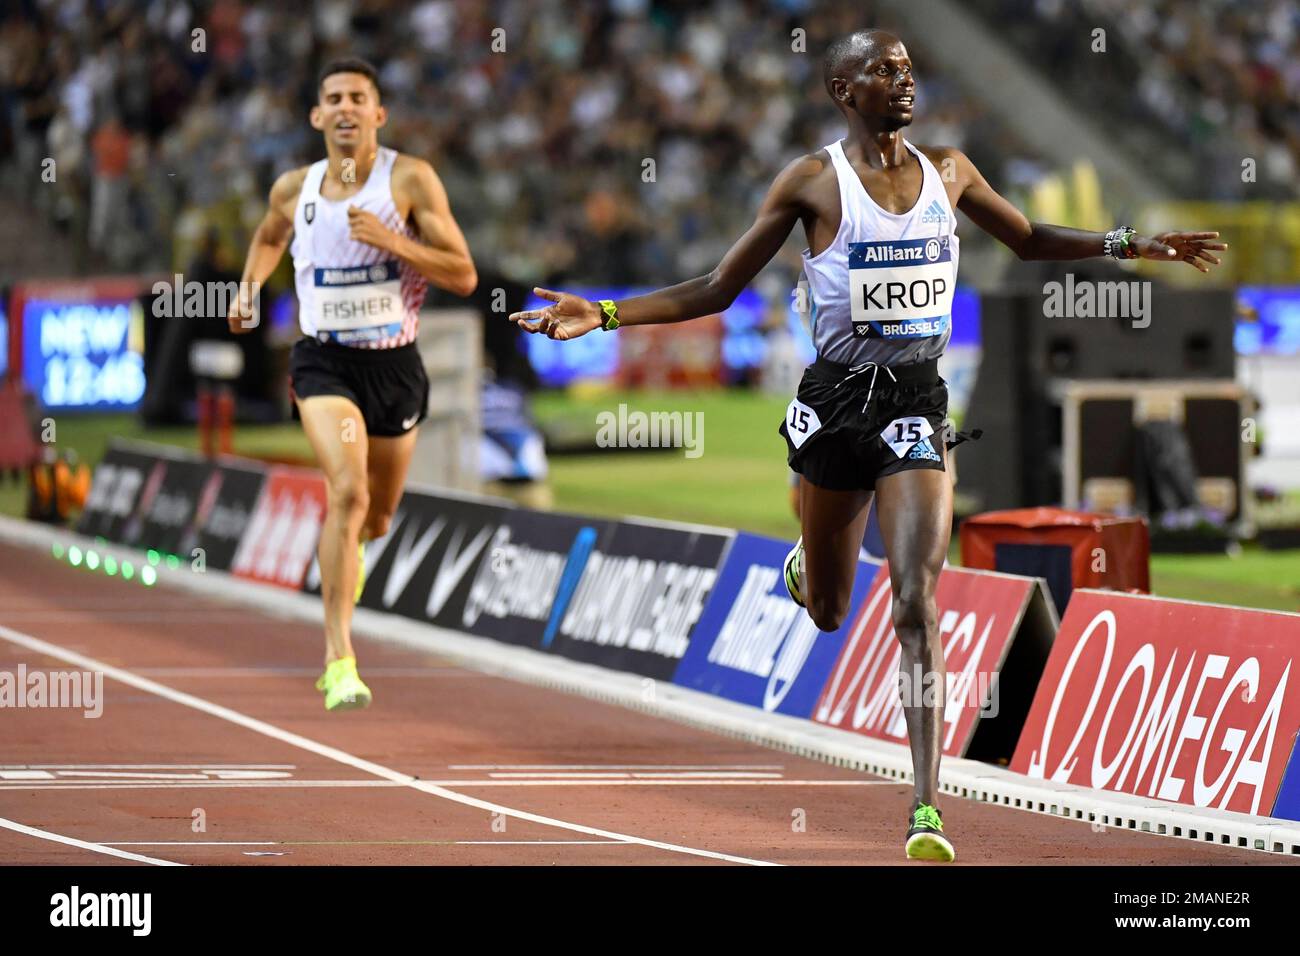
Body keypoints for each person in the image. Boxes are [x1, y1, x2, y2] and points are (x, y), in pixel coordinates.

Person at [508, 29, 1225, 860]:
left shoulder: (950, 171)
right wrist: (599, 313)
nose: (904, 81)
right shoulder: (813, 181)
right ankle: (807, 572)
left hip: (917, 403)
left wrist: (1130, 243)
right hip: (835, 404)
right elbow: (714, 287)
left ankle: (926, 806)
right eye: (884, 72)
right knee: (829, 610)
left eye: (910, 69)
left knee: (917, 601)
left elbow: (1026, 239)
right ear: (845, 91)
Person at [228, 58, 477, 710]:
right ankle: (340, 659)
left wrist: (397, 243)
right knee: (347, 489)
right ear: (317, 116)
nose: (345, 107)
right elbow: (267, 236)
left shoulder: (411, 180)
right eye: (333, 97)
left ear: (377, 113)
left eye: (357, 98)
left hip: (394, 368)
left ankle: (348, 553)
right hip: (324, 363)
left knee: (379, 514)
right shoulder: (294, 188)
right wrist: (250, 289)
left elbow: (463, 274)